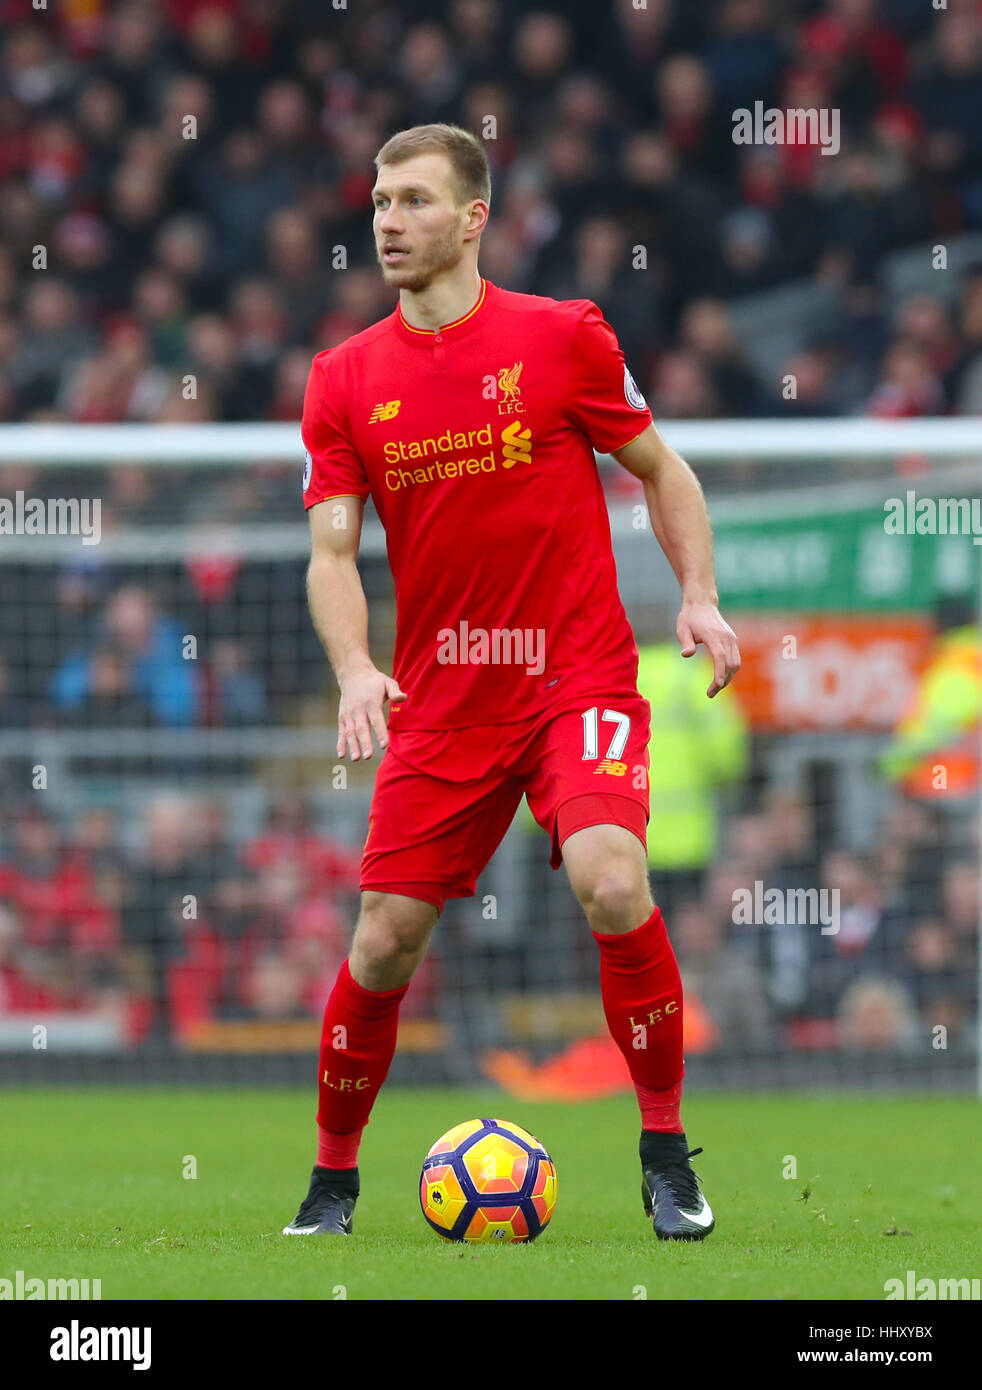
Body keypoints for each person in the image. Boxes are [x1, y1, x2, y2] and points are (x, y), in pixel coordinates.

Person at [285, 123, 740, 1242]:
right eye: (381, 201)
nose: (388, 221)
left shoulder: (563, 337)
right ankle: (331, 1185)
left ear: (475, 216)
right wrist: (354, 667)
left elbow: (660, 467)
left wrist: (699, 596)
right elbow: (332, 550)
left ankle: (665, 1159)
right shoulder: (343, 379)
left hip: (572, 673)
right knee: (384, 938)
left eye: (415, 201)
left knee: (610, 876)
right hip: (443, 698)